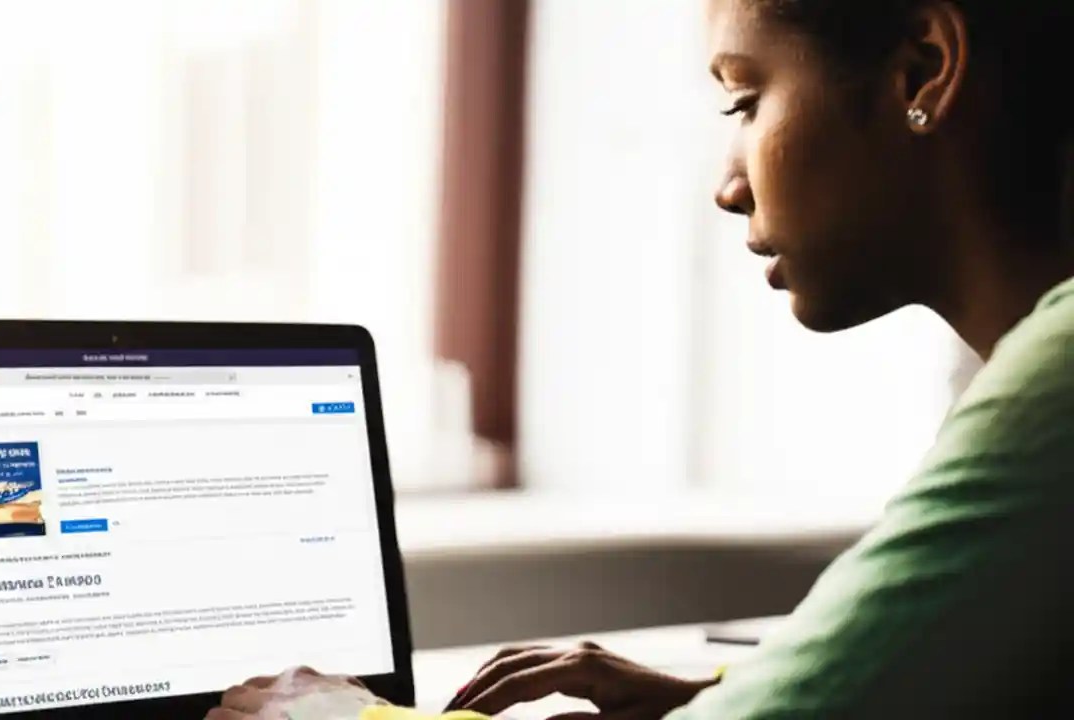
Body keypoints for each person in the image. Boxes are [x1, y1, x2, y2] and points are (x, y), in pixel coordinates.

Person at [209, 0, 1074, 717]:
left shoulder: (1058, 383)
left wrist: (330, 714)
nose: (726, 184)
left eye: (744, 101)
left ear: (923, 71)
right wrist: (724, 691)